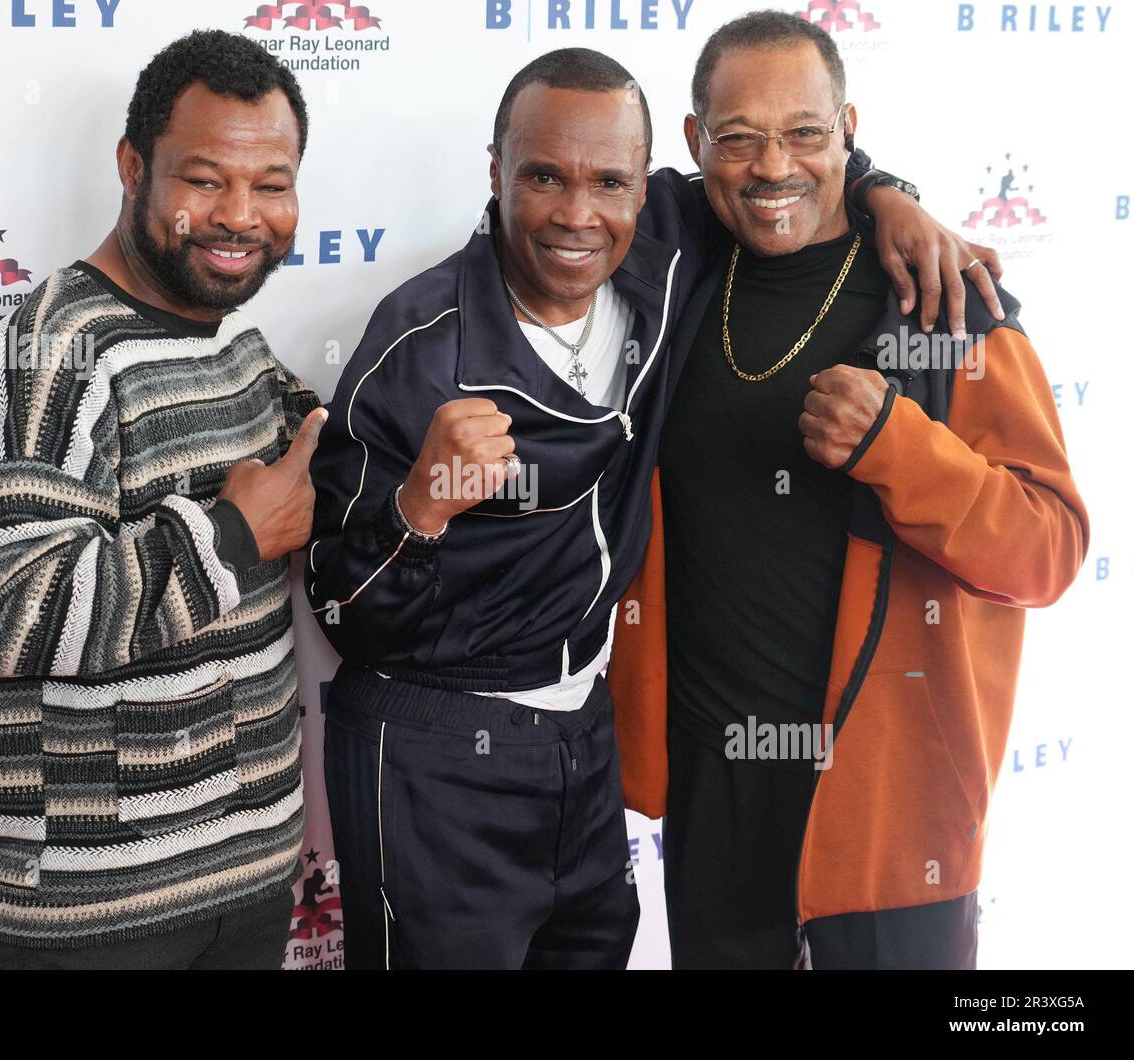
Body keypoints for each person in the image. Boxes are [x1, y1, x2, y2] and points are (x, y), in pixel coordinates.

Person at [305, 46, 991, 969]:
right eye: (542, 177)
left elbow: (778, 167)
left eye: (610, 182)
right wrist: (420, 508)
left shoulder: (666, 251)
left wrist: (886, 195)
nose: (578, 214)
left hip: (588, 745)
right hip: (433, 749)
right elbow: (340, 604)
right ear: (496, 171)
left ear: (650, 181)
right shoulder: (417, 343)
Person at [607, 10, 1089, 969]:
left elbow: (1051, 549)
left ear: (848, 130)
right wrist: (882, 187)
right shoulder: (680, 269)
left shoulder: (949, 302)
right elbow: (568, 194)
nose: (772, 166)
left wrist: (897, 448)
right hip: (718, 795)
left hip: (891, 813)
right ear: (698, 143)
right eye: (737, 138)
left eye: (806, 134)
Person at [0, 30, 324, 970]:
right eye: (204, 179)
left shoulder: (240, 354)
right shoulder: (53, 354)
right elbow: (2, 615)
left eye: (272, 184)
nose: (240, 215)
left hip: (249, 881)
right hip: (92, 918)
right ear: (133, 167)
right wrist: (232, 537)